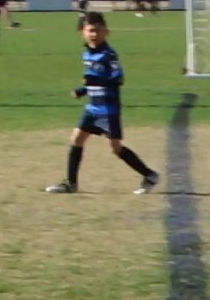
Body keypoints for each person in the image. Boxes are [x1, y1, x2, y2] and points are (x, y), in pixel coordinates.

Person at [46, 12, 159, 196]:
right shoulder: (87, 53)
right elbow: (94, 81)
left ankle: (150, 175)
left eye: (98, 30)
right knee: (76, 139)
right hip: (92, 107)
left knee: (116, 148)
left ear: (106, 32)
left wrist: (92, 81)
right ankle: (71, 183)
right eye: (90, 30)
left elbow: (118, 79)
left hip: (108, 109)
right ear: (82, 32)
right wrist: (83, 91)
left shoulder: (109, 54)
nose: (94, 34)